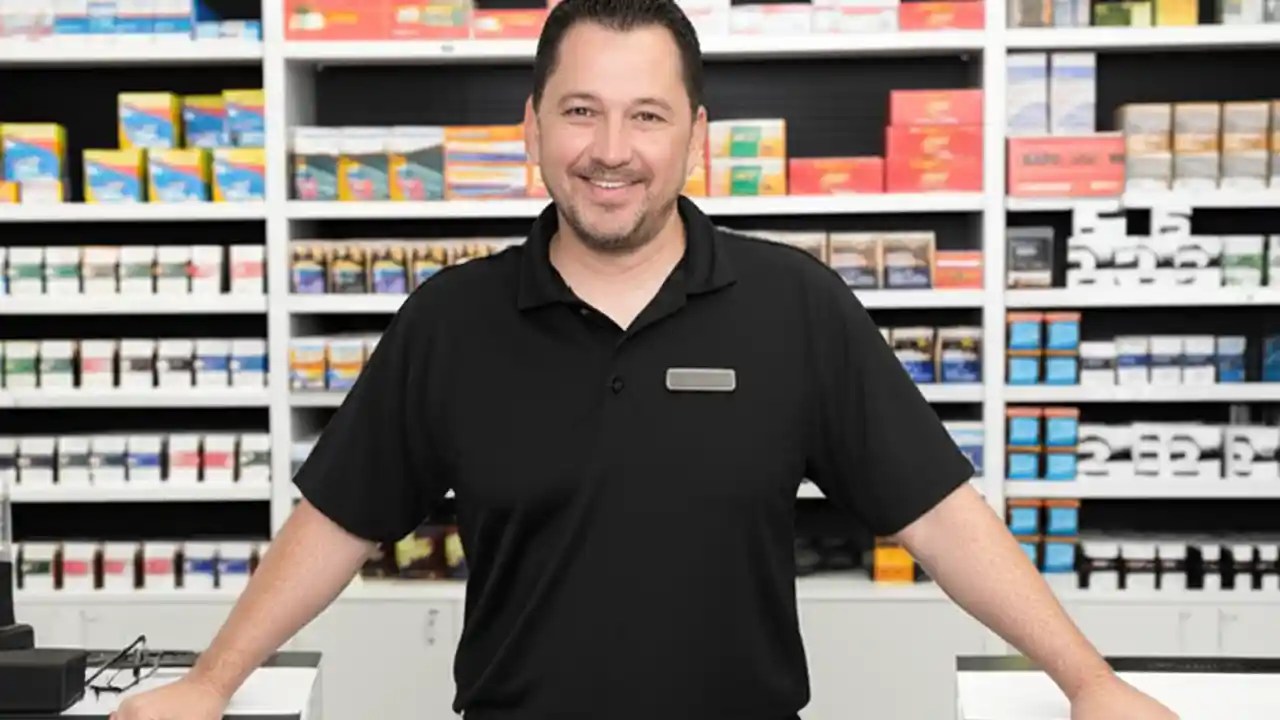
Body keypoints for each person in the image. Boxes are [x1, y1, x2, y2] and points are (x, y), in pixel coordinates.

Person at [112, 0, 1181, 718]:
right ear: (533, 125)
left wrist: (1085, 681)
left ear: (693, 134)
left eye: (644, 116)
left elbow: (937, 512)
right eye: (579, 111)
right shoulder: (450, 319)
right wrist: (211, 683)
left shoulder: (793, 305)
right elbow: (339, 516)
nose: (610, 150)